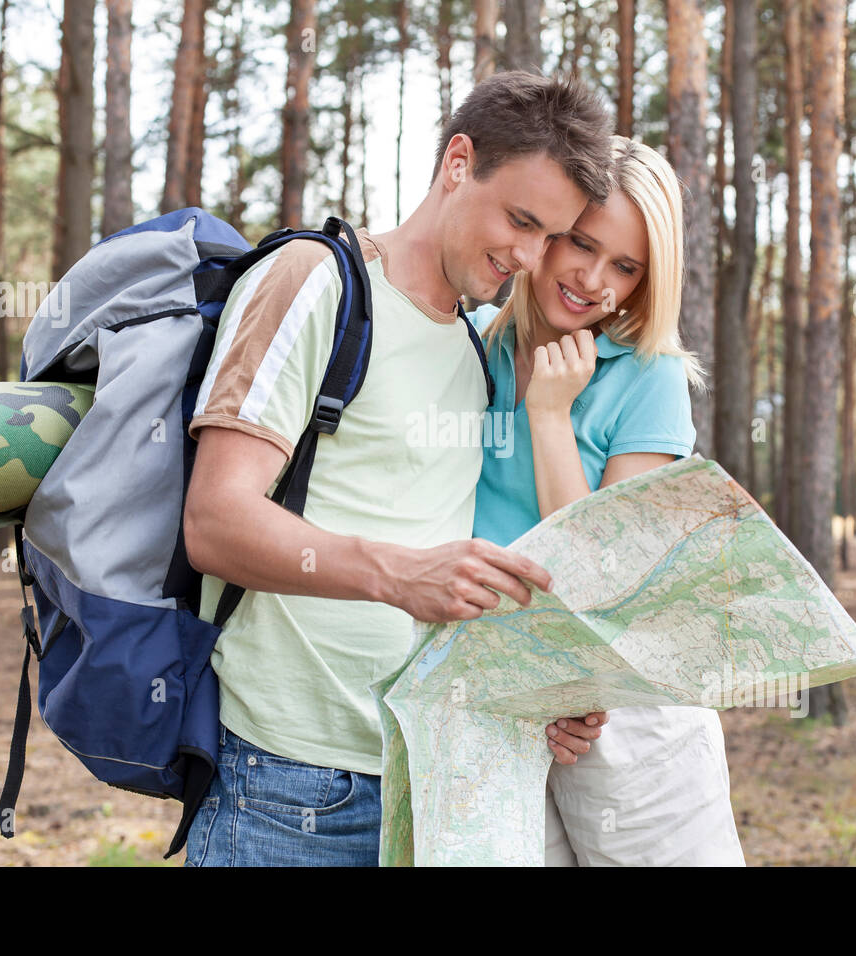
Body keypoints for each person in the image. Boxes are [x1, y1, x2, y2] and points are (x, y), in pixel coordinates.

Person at [180, 72, 616, 866]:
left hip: (433, 780)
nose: (528, 256)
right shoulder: (318, 282)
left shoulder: (478, 348)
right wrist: (395, 575)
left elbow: (449, 574)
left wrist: (535, 699)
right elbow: (215, 520)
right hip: (286, 789)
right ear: (458, 162)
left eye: (548, 236)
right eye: (520, 219)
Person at [470, 136, 746, 866]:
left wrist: (551, 416)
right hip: (507, 701)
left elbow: (600, 575)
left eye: (625, 266)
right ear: (547, 230)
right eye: (582, 245)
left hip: (629, 708)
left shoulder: (650, 376)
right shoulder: (469, 347)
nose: (594, 280)